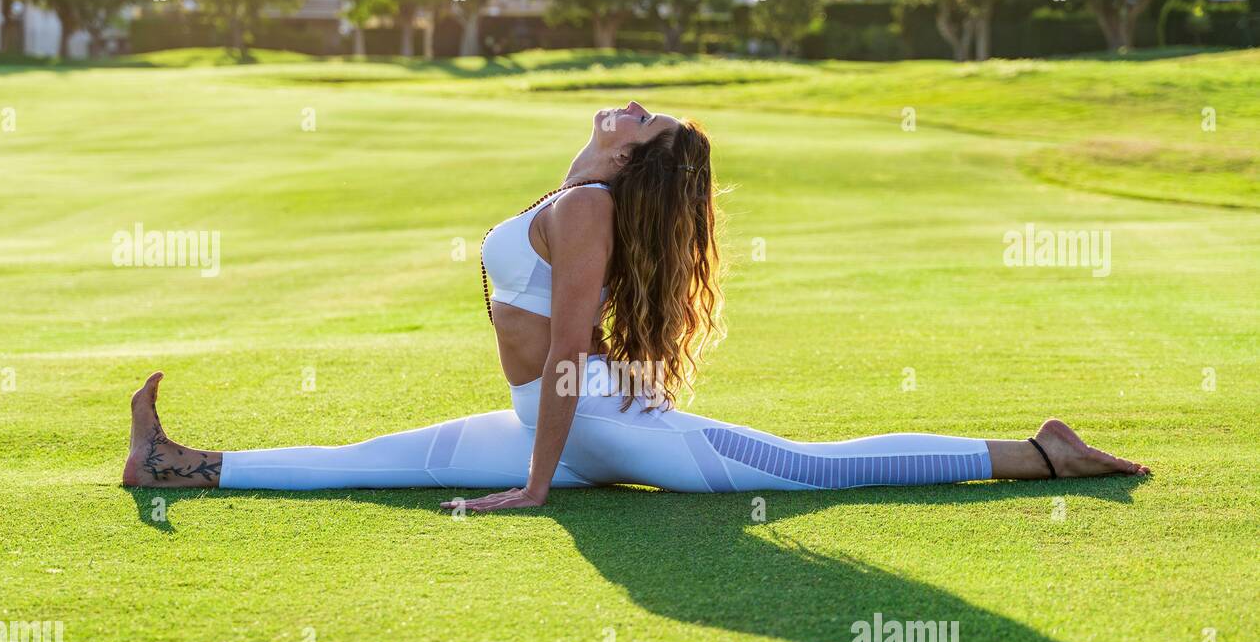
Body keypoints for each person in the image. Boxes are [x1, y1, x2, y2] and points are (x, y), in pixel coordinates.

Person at [122, 101, 1149, 511]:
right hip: (563, 422)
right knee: (367, 462)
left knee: (805, 467)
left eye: (641, 115)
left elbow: (569, 348)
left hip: (589, 420)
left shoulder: (584, 209)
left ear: (628, 157)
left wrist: (533, 489)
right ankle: (177, 463)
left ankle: (1036, 451)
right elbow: (564, 278)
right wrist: (542, 460)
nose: (630, 103)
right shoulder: (584, 188)